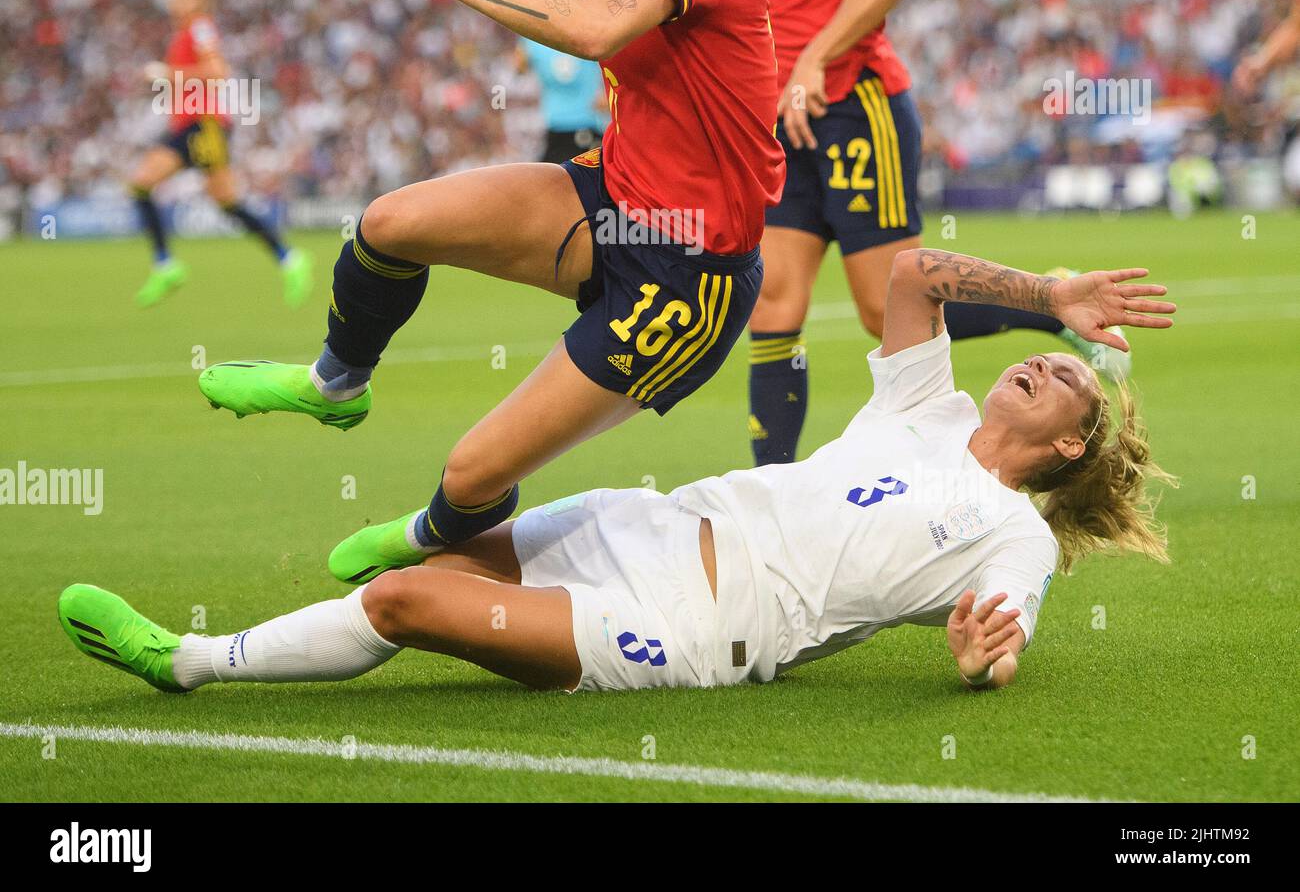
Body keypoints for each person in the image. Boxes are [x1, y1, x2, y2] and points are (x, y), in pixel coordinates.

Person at [58, 248, 1176, 695]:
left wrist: (987, 657)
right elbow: (919, 272)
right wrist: (1049, 292)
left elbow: (1003, 638)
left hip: (695, 624)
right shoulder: (924, 407)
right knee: (449, 540)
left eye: (1062, 381)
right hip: (644, 520)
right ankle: (418, 530)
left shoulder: (1014, 532)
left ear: (1069, 445)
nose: (1040, 363)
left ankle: (187, 659)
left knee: (407, 600)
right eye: (1042, 356)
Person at [198, 0, 785, 577]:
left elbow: (589, 29)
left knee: (471, 474)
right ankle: (336, 384)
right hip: (611, 199)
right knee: (390, 224)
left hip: (687, 275)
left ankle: (424, 542)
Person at [742, 0, 1127, 465]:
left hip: (856, 107)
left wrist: (813, 58)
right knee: (772, 304)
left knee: (882, 307)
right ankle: (772, 487)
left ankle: (1049, 302)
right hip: (791, 121)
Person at [127, 0, 313, 309]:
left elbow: (217, 72)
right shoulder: (184, 32)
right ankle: (287, 258)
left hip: (204, 125)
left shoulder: (200, 27)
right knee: (218, 200)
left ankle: (168, 264)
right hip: (188, 126)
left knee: (154, 185)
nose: (175, 1)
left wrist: (167, 75)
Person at [514, 0, 608, 163]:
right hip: (553, 131)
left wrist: (610, 97)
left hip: (588, 129)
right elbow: (514, 76)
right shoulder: (532, 35)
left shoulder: (593, 29)